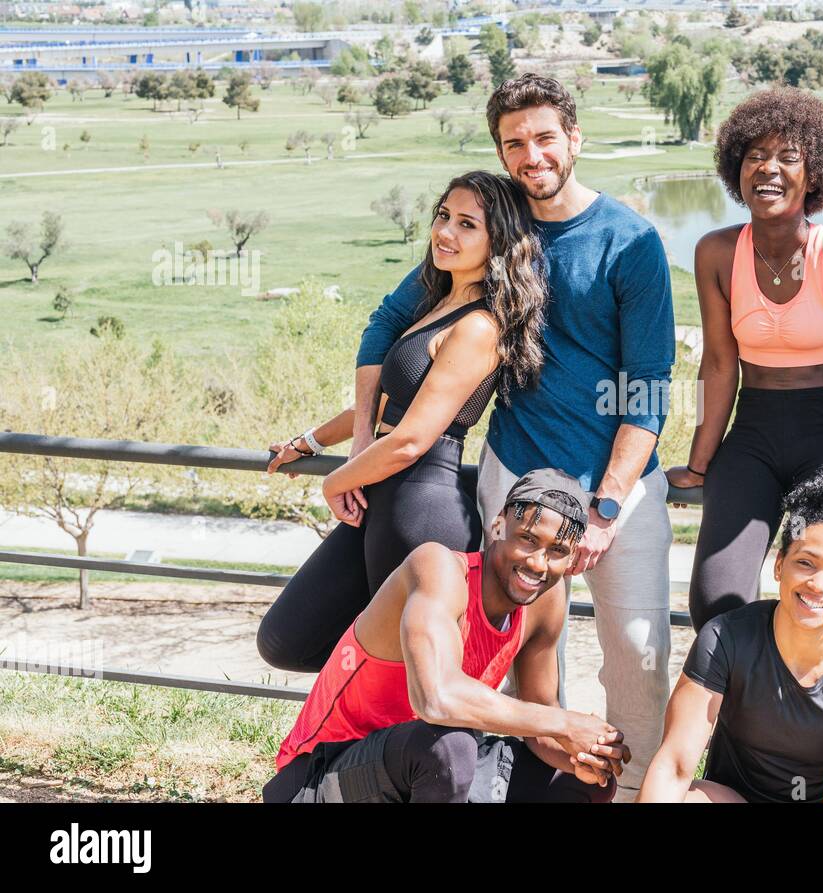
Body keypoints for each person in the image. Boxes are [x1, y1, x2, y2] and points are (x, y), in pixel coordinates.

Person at [352, 74, 676, 794]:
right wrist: (352, 444)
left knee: (637, 657)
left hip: (613, 494)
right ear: (501, 150)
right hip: (512, 479)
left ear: (574, 139)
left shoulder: (630, 241)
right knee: (520, 659)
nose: (532, 155)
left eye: (544, 138)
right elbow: (387, 320)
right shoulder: (495, 229)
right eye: (514, 143)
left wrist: (609, 503)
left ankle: (631, 793)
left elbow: (649, 384)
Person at [255, 172, 548, 674]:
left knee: (409, 673)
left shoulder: (480, 325)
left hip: (418, 505)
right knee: (286, 639)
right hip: (381, 494)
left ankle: (408, 750)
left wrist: (337, 480)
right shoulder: (438, 305)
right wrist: (310, 441)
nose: (445, 233)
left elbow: (412, 439)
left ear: (497, 241)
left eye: (466, 225)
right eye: (442, 217)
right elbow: (394, 409)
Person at [664, 87, 823, 632]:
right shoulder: (716, 253)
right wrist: (699, 463)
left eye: (788, 157)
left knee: (821, 592)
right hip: (752, 436)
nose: (768, 169)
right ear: (735, 170)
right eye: (755, 157)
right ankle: (740, 711)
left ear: (814, 175)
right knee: (717, 601)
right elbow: (719, 363)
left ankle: (819, 710)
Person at [263, 469, 630, 803]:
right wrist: (566, 723)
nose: (538, 563)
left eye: (558, 551)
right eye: (528, 540)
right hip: (318, 777)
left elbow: (541, 723)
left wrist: (581, 752)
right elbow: (436, 699)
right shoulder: (438, 567)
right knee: (451, 746)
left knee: (583, 782)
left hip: (424, 769)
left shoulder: (546, 601)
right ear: (498, 526)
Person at [639, 454, 823, 803]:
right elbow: (673, 767)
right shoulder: (723, 638)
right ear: (779, 566)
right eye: (805, 563)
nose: (818, 585)